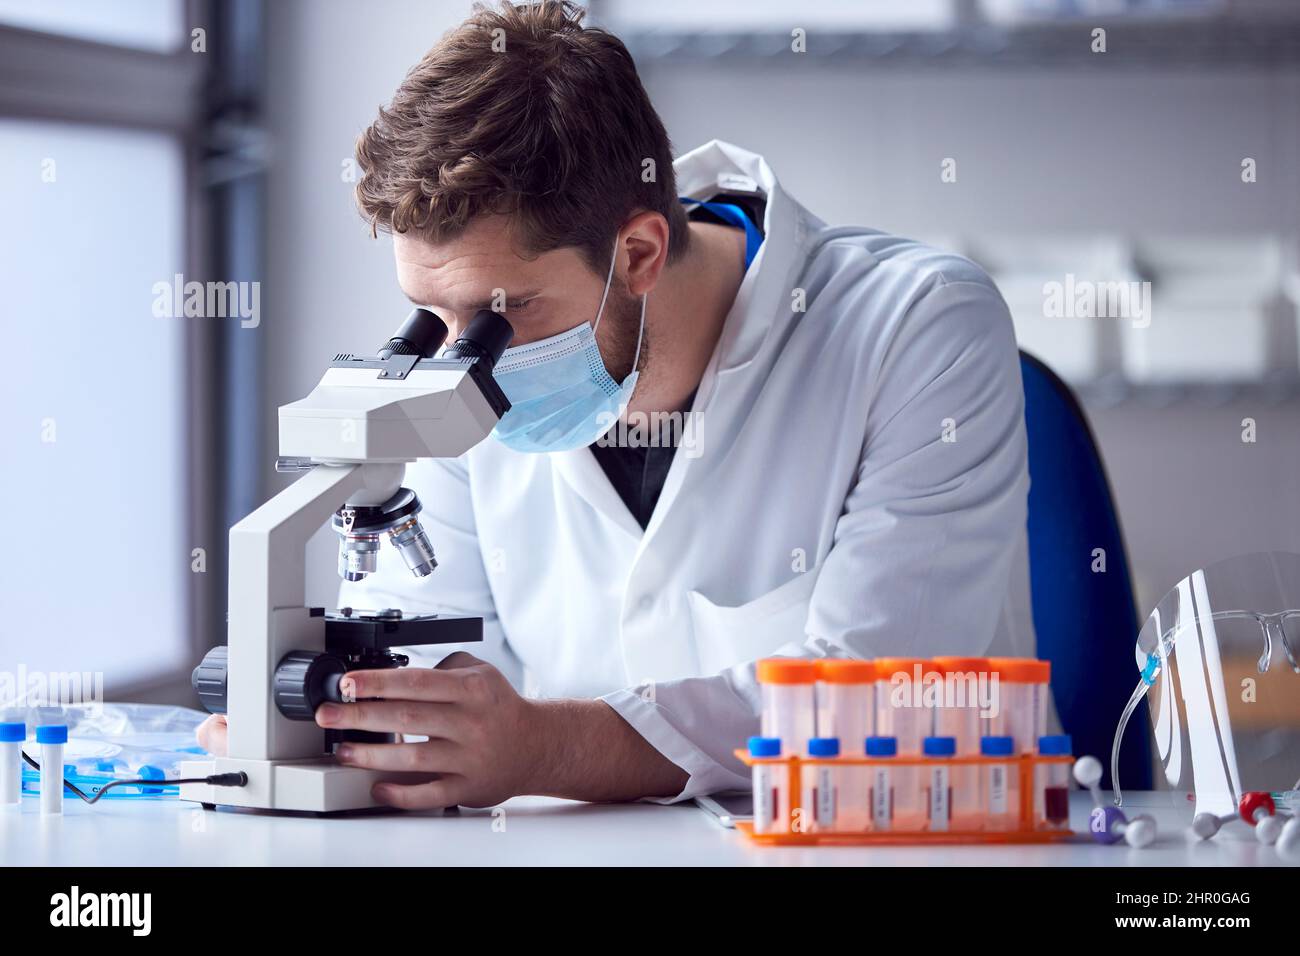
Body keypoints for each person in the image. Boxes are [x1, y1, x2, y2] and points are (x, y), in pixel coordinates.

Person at [198, 0, 1034, 809]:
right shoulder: (466, 371)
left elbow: (882, 698)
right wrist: (353, 721)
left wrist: (547, 747)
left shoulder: (917, 323)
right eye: (436, 318)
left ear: (637, 253)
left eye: (504, 315)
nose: (463, 363)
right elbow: (432, 651)